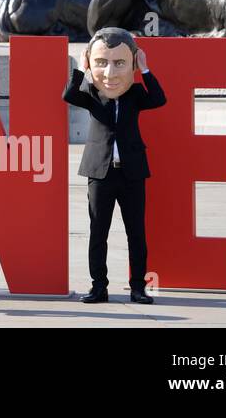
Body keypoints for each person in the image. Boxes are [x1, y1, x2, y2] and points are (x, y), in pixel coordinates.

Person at [63, 27, 166, 304]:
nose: (110, 73)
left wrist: (143, 69)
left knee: (136, 233)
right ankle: (99, 286)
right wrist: (83, 67)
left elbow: (159, 98)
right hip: (100, 172)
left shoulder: (134, 94)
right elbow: (69, 96)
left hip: (131, 172)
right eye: (103, 63)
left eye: (119, 63)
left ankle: (138, 287)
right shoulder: (93, 93)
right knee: (98, 232)